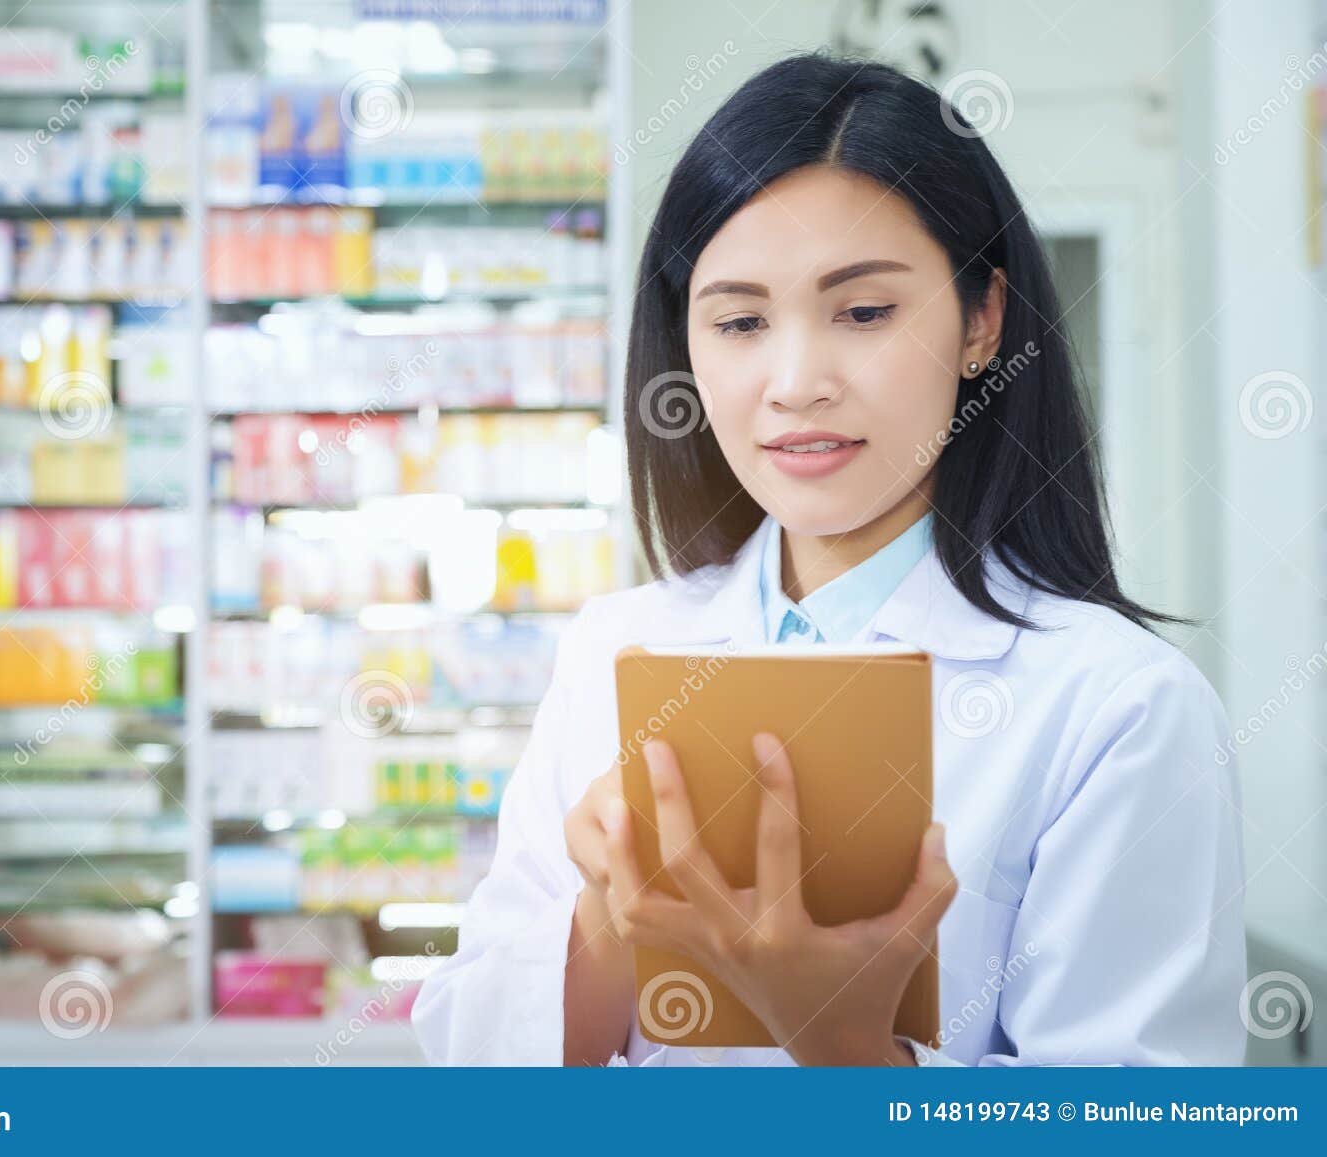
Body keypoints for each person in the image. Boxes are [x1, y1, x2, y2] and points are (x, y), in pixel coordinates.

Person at [411, 53, 1246, 1067]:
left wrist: (846, 1041)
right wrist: (609, 916)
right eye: (740, 321)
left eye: (861, 312)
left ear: (981, 322)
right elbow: (468, 1057)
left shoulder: (1118, 707)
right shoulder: (613, 650)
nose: (796, 381)